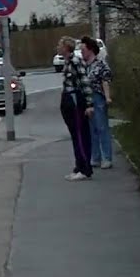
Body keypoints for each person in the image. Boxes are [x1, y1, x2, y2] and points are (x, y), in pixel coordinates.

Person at [57, 36, 96, 181]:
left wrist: (89, 104)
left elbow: (84, 82)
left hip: (75, 101)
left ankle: (85, 168)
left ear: (66, 47)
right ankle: (79, 165)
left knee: (80, 135)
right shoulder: (67, 62)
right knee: (74, 134)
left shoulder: (75, 61)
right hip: (68, 99)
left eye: (60, 45)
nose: (58, 48)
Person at [82, 36, 114, 169]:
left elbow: (105, 81)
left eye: (83, 49)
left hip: (98, 98)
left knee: (102, 128)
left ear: (90, 50)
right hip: (87, 99)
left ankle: (107, 157)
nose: (81, 52)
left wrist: (107, 97)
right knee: (92, 129)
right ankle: (95, 157)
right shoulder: (84, 67)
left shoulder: (100, 65)